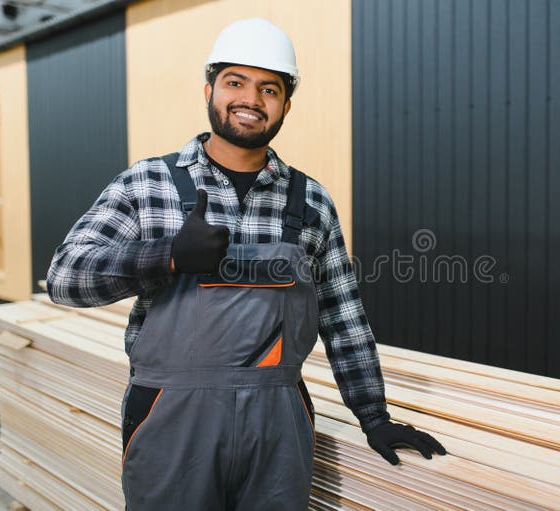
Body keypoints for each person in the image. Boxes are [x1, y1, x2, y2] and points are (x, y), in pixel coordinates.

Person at [46, 17, 445, 511]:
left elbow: (342, 316)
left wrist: (373, 413)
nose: (251, 100)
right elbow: (66, 278)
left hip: (276, 422)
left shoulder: (311, 201)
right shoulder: (147, 184)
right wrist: (164, 256)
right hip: (171, 417)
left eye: (269, 89)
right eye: (236, 82)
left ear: (285, 106)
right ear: (210, 89)